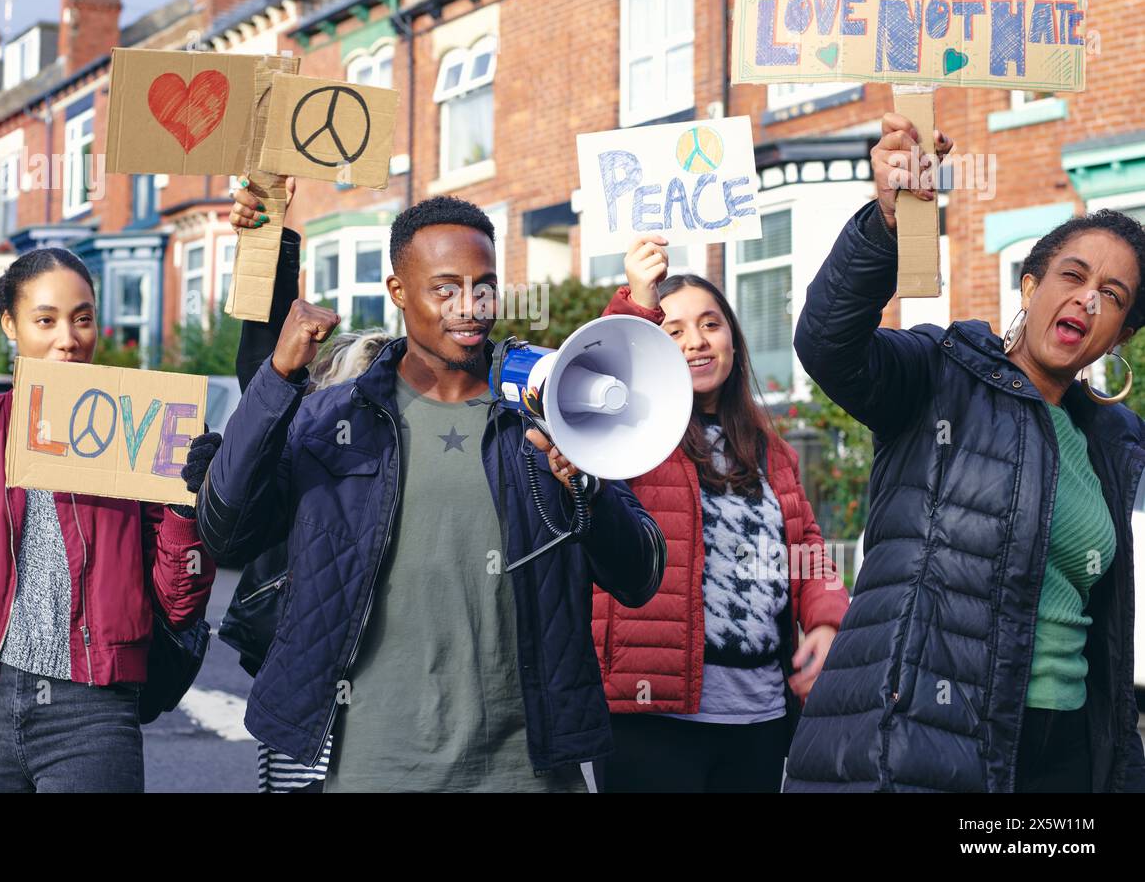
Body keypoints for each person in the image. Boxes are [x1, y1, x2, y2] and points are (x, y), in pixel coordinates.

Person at [196, 194, 666, 792]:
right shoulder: (332, 421)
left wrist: (586, 488)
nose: (469, 308)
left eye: (484, 287)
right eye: (444, 289)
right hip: (375, 769)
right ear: (397, 290)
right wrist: (278, 378)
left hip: (529, 774)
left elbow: (640, 574)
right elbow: (226, 530)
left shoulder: (551, 413)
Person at [783, 112, 1145, 793]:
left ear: (1119, 333)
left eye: (1113, 296)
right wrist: (885, 223)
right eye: (1072, 275)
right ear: (1031, 287)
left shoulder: (1114, 441)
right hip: (931, 738)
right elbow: (829, 344)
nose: (1087, 298)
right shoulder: (942, 370)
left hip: (1065, 751)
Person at [0, 248, 217, 793]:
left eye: (82, 318)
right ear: (10, 324)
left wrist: (188, 505)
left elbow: (180, 600)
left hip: (93, 712)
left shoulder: (142, 434)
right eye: (45, 319)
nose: (67, 338)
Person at [591, 236, 848, 793]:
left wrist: (827, 619)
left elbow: (806, 547)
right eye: (673, 331)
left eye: (711, 324)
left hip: (759, 719)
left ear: (733, 338)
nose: (696, 343)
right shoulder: (631, 435)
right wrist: (638, 299)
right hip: (654, 719)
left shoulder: (771, 449)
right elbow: (596, 386)